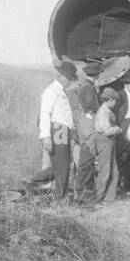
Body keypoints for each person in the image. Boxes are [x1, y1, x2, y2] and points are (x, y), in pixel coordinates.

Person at [37, 61, 77, 200]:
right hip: (57, 130)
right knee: (62, 166)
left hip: (63, 130)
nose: (70, 81)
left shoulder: (61, 92)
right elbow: (45, 113)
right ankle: (61, 199)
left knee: (63, 165)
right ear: (63, 76)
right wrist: (46, 136)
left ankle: (60, 195)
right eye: (70, 78)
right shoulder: (51, 90)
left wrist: (71, 136)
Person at [70, 63, 102, 198]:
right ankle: (80, 190)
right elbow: (89, 104)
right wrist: (98, 108)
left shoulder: (85, 85)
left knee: (87, 157)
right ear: (97, 75)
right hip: (87, 123)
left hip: (83, 122)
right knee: (87, 156)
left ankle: (85, 189)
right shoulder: (89, 87)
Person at [93, 88, 123, 202]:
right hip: (104, 141)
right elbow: (106, 130)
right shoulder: (103, 111)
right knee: (105, 170)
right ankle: (99, 197)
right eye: (115, 101)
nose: (116, 103)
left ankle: (109, 198)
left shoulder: (107, 111)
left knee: (114, 171)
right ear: (110, 99)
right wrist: (118, 129)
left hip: (110, 141)